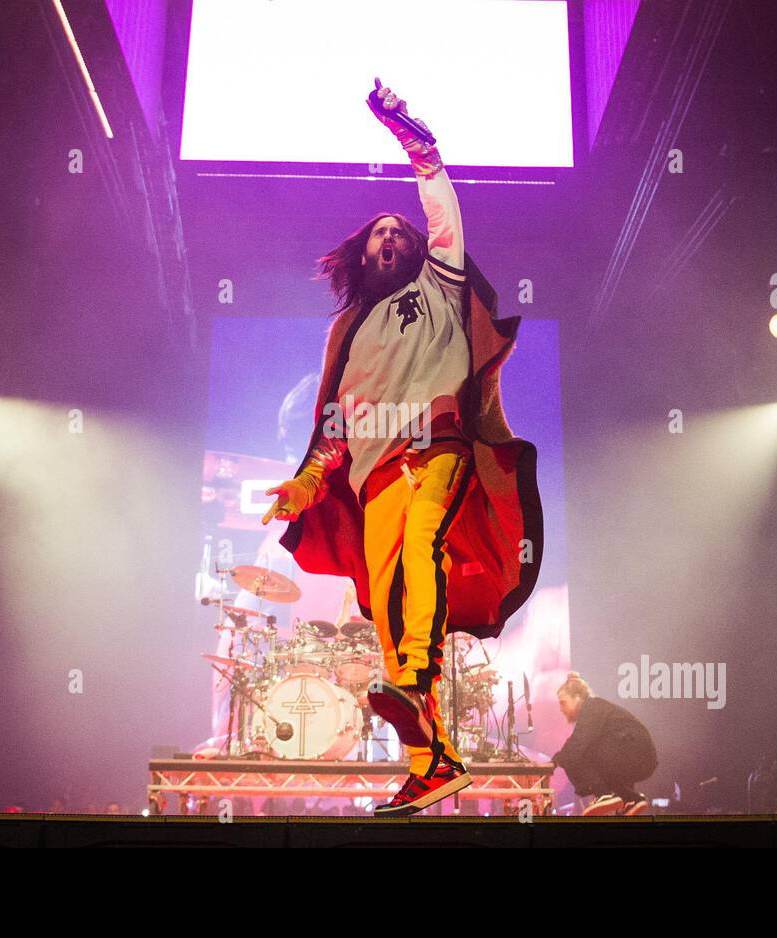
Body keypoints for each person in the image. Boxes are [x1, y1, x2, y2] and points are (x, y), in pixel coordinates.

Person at [262, 80, 542, 816]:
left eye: (399, 231)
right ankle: (432, 761)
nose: (390, 237)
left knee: (424, 543)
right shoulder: (347, 332)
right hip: (375, 468)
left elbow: (441, 205)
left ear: (416, 247)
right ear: (362, 253)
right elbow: (334, 427)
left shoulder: (441, 283)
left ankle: (416, 672)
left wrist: (411, 137)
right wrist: (305, 486)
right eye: (378, 233)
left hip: (437, 442)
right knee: (385, 603)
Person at [550, 672, 657, 816]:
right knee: (583, 758)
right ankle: (631, 799)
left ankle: (603, 795)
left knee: (574, 755)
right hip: (641, 757)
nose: (561, 709)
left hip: (634, 752)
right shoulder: (598, 710)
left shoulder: (592, 706)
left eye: (563, 703)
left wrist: (556, 760)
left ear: (577, 698)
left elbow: (578, 743)